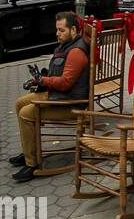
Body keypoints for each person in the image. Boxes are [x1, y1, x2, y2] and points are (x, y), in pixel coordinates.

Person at [9, 12, 90, 183]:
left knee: (26, 113)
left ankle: (32, 164)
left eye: (61, 30)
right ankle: (28, 150)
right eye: (57, 30)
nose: (57, 34)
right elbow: (59, 78)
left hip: (71, 105)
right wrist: (39, 80)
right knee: (19, 103)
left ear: (73, 30)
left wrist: (44, 80)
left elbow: (66, 83)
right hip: (60, 97)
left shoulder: (76, 51)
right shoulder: (66, 46)